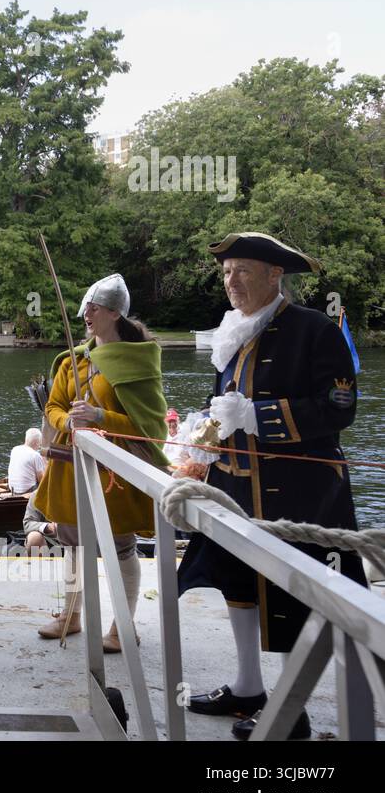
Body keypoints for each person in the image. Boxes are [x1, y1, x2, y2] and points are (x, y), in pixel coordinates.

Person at [177, 233, 366, 741]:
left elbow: (340, 409)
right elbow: (223, 404)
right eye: (225, 272)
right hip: (233, 485)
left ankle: (291, 712)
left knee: (289, 596)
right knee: (237, 584)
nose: (229, 281)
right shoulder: (233, 329)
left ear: (273, 275)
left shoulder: (316, 330)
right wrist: (200, 436)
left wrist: (259, 417)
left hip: (298, 492)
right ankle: (247, 687)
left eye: (241, 270)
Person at [32, 273, 170, 652]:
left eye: (94, 308)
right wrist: (68, 422)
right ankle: (72, 615)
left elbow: (150, 427)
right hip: (71, 464)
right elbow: (54, 406)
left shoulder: (137, 362)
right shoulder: (72, 361)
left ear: (113, 312)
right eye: (86, 308)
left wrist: (100, 417)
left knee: (121, 543)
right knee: (72, 540)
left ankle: (121, 626)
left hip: (116, 471)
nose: (87, 313)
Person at [7, 428, 48, 496]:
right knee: (48, 481)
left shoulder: (15, 449)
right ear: (37, 442)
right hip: (27, 491)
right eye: (40, 443)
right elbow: (41, 481)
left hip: (13, 489)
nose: (39, 446)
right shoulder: (35, 455)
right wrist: (46, 464)